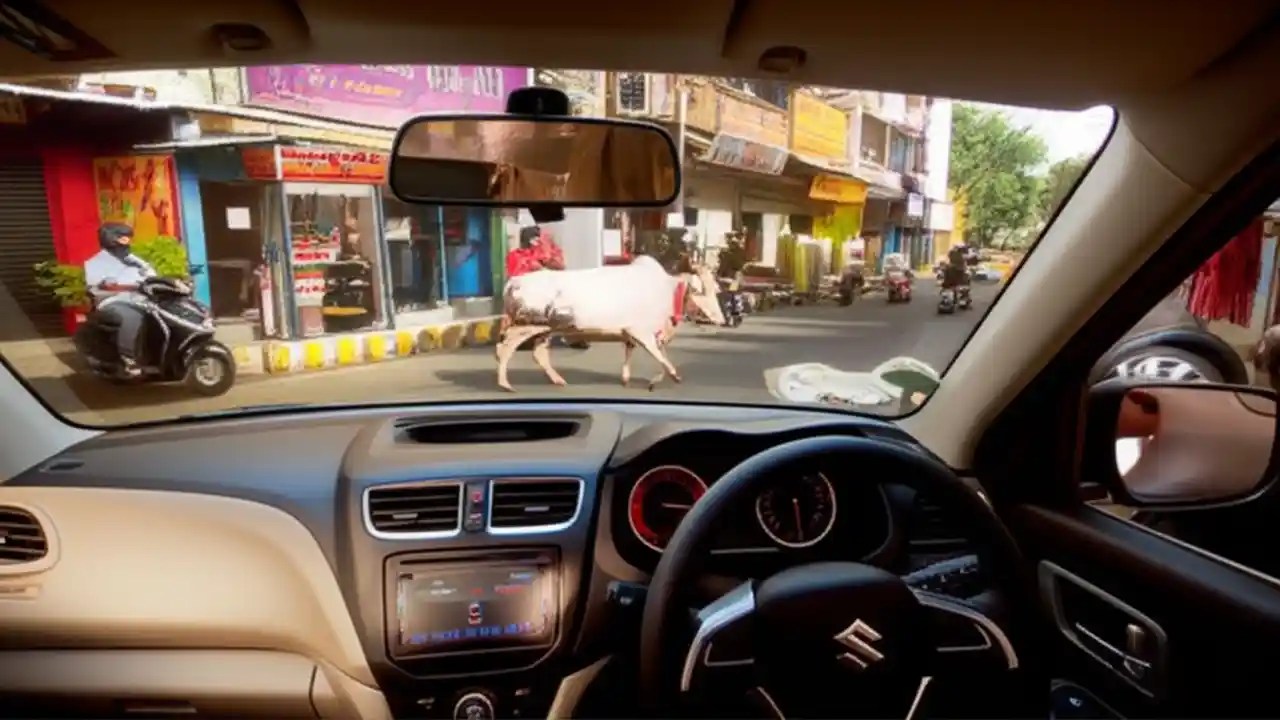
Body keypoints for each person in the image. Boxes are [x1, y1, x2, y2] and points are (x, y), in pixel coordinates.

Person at [83, 223, 157, 376]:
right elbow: (96, 288)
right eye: (122, 236)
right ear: (110, 238)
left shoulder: (134, 259)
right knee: (132, 317)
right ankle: (128, 358)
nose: (127, 239)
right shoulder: (96, 262)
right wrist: (113, 286)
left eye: (128, 236)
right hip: (112, 301)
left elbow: (152, 276)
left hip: (141, 299)